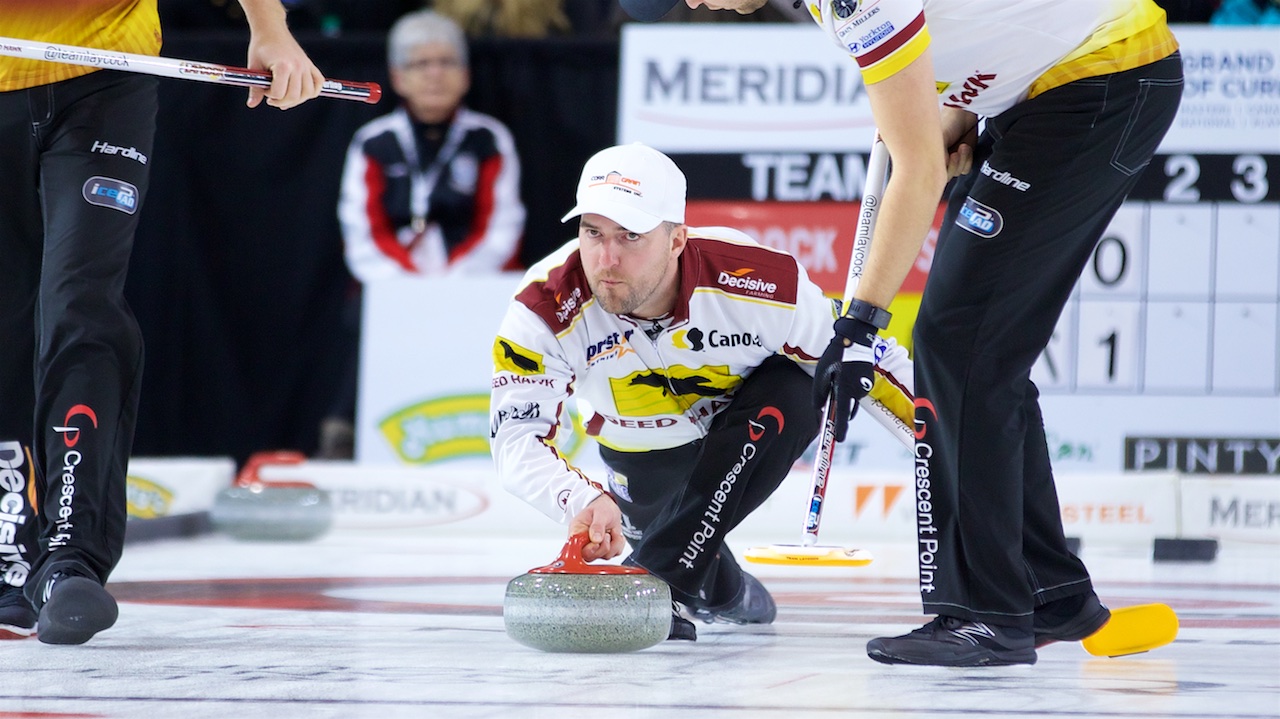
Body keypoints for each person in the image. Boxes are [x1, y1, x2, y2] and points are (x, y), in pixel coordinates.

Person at [618, 0, 1185, 666]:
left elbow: (917, 171)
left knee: (962, 345)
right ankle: (1045, 591)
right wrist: (960, 110)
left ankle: (988, 614)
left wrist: (860, 322)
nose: (694, 3)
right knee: (971, 349)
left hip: (1100, 78)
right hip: (1049, 89)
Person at [488, 142, 914, 640]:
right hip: (641, 453)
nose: (607, 259)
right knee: (701, 574)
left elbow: (865, 359)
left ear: (677, 240)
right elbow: (515, 438)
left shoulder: (756, 279)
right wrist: (580, 498)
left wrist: (948, 448)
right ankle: (728, 591)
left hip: (747, 429)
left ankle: (658, 582)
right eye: (593, 233)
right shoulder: (544, 305)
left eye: (630, 236)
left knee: (797, 385)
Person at [0, 0, 324, 645]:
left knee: (79, 301)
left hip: (104, 71)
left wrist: (269, 28)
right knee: (7, 313)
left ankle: (69, 554)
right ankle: (10, 547)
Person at [327, 9, 526, 458]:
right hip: (392, 280)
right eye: (421, 64)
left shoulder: (489, 138)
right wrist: (405, 286)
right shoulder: (374, 141)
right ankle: (344, 431)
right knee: (361, 315)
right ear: (398, 77)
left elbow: (501, 225)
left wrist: (453, 284)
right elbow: (362, 229)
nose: (435, 74)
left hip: (475, 280)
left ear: (466, 75)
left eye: (446, 62)